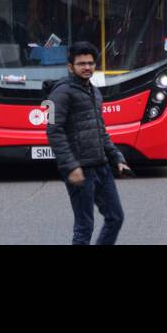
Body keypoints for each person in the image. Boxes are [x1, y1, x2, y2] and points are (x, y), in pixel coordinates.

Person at [46, 41, 132, 246]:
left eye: (91, 63)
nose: (87, 67)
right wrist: (71, 167)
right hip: (80, 170)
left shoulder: (94, 91)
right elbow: (53, 131)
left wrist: (117, 158)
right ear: (70, 67)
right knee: (84, 226)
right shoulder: (60, 93)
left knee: (115, 217)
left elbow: (100, 131)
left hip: (101, 166)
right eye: (82, 63)